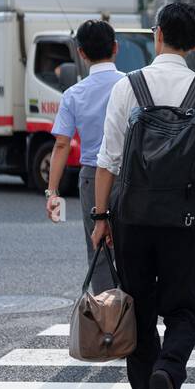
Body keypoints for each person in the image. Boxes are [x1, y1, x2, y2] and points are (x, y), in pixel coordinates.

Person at [91, 2, 195, 389]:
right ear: (194, 44)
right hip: (183, 216)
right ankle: (168, 374)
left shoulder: (128, 87)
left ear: (157, 35)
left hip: (131, 216)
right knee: (183, 310)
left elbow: (107, 160)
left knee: (137, 308)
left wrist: (101, 217)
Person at [45, 20, 124, 292]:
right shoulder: (132, 86)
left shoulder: (73, 94)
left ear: (81, 53)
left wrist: (52, 192)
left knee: (99, 249)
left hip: (92, 177)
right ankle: (137, 319)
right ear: (116, 48)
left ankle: (109, 321)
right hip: (131, 177)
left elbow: (61, 145)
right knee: (133, 248)